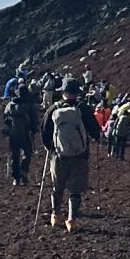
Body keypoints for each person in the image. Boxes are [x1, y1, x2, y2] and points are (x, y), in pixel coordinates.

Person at [42, 78, 94, 233]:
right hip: (80, 155)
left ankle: (55, 215)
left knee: (57, 187)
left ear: (63, 92)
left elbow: (44, 130)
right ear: (77, 92)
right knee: (75, 189)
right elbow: (96, 131)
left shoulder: (53, 108)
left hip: (58, 156)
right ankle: (71, 220)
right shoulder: (83, 108)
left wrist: (50, 148)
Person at [2, 82, 38, 188]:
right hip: (25, 133)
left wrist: (7, 130)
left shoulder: (10, 105)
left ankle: (16, 178)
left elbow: (5, 119)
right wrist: (33, 130)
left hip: (13, 134)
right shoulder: (29, 106)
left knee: (14, 155)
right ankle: (24, 170)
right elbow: (34, 120)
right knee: (27, 153)